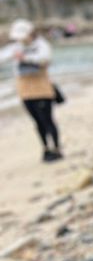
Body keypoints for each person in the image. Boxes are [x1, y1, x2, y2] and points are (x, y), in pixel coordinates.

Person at [1, 19, 63, 162]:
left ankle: (57, 148)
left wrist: (25, 58)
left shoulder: (41, 45)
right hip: (24, 89)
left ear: (30, 33)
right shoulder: (15, 47)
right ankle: (46, 148)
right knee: (37, 121)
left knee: (47, 119)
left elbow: (45, 58)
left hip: (42, 87)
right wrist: (15, 55)